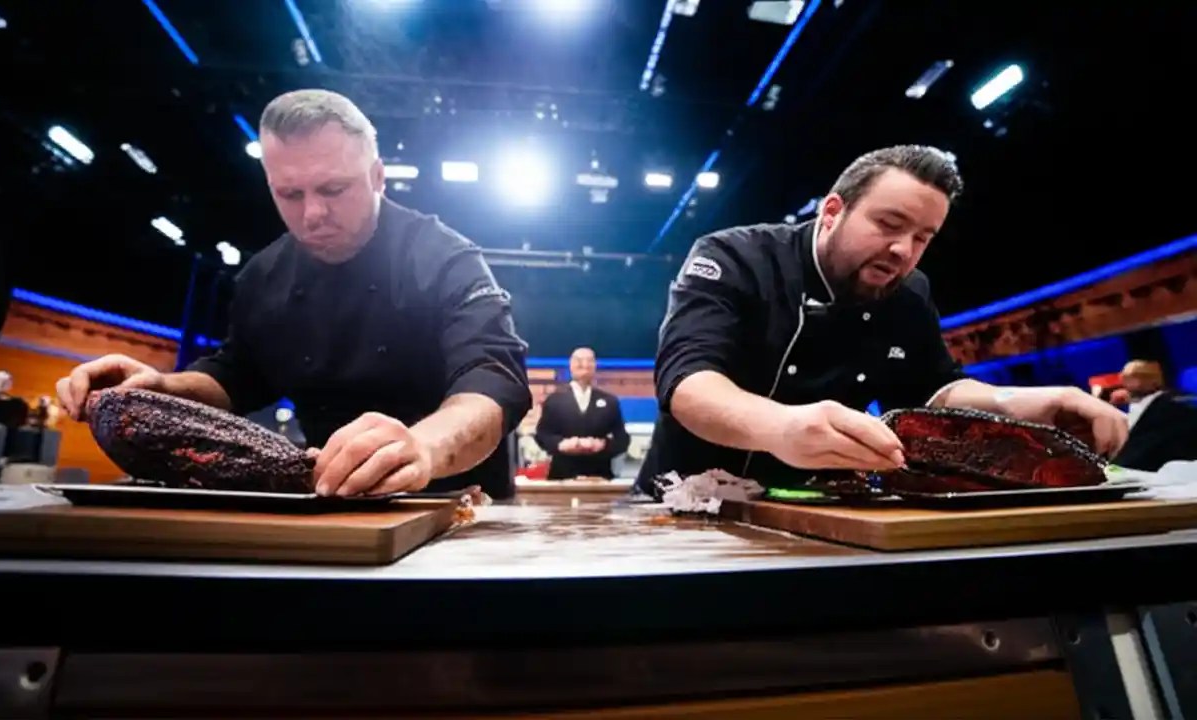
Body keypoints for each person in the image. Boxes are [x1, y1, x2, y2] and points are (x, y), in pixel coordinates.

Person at [56, 89, 531, 499]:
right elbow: (236, 376)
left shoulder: (445, 258)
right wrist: (163, 388)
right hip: (334, 499)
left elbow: (490, 381)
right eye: (290, 194)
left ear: (378, 177)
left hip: (461, 502)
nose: (313, 215)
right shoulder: (264, 276)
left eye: (333, 188)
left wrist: (424, 446)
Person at [635, 144, 1129, 493]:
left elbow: (935, 389)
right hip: (691, 502)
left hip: (822, 512)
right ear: (832, 211)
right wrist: (782, 428)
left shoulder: (909, 291)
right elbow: (689, 385)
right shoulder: (735, 257)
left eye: (923, 238)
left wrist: (1026, 403)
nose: (903, 250)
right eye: (889, 225)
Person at [534, 347, 630, 479]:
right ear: (571, 365)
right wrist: (561, 444)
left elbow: (622, 439)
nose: (584, 365)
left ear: (595, 366)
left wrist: (602, 445)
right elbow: (542, 434)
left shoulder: (610, 401)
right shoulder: (554, 400)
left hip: (600, 477)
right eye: (579, 361)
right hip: (561, 477)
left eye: (589, 361)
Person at [1112, 360, 1197, 471]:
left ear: (1154, 380)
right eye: (1124, 376)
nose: (1123, 380)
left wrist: (1111, 471)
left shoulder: (1172, 408)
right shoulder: (1127, 405)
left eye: (1131, 377)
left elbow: (1137, 456)